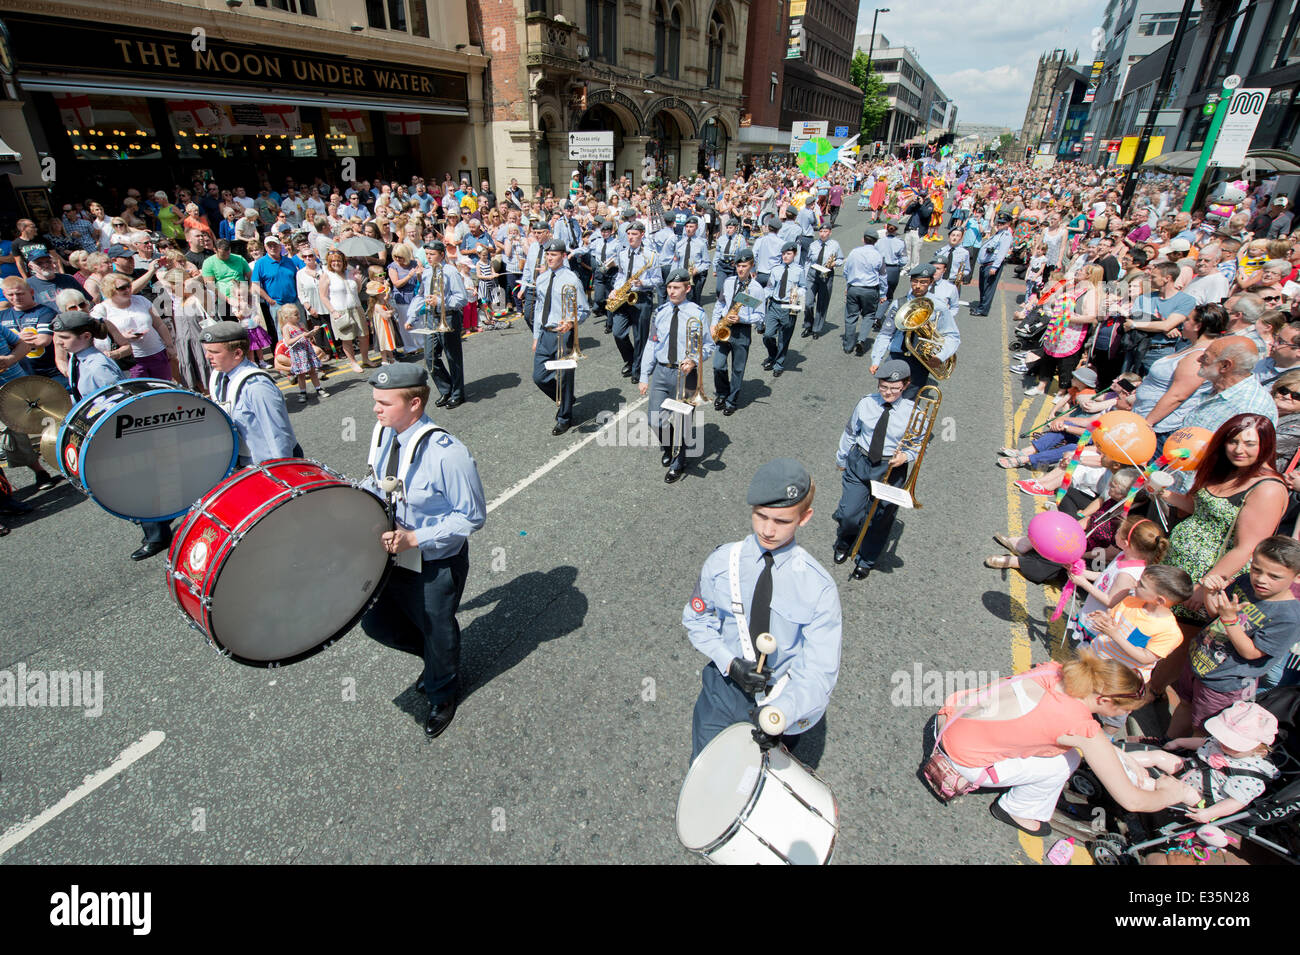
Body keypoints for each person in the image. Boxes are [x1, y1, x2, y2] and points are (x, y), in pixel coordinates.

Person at [929, 651, 1196, 836]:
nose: (1121, 716)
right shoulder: (1080, 726)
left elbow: (1086, 737)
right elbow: (1132, 800)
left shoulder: (1058, 671)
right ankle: (1017, 810)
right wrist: (1174, 793)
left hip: (945, 722)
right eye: (1123, 710)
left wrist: (1124, 758)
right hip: (957, 761)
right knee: (1067, 760)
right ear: (1105, 701)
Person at [682, 457, 841, 761]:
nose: (768, 530)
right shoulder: (722, 562)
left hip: (779, 698)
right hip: (723, 692)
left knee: (756, 781)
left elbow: (819, 671)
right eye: (760, 516)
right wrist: (730, 663)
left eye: (782, 521)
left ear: (804, 518)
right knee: (704, 770)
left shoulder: (818, 588)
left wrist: (781, 713)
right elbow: (697, 621)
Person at [359, 363, 486, 739]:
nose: (376, 409)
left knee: (436, 627)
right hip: (391, 553)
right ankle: (437, 661)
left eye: (384, 402)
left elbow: (472, 517)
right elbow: (377, 479)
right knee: (377, 623)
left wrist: (415, 538)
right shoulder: (384, 434)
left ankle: (442, 693)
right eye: (375, 401)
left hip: (433, 560)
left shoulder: (447, 453)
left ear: (415, 403)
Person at [1168, 535, 1300, 737]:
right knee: (1185, 704)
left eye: (1274, 576)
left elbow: (1251, 653)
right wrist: (1210, 594)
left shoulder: (1289, 617)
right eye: (1256, 569)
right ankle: (1167, 742)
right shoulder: (1246, 582)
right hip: (1201, 662)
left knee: (1204, 729)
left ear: (1296, 577)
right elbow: (1215, 615)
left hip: (1227, 682)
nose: (1261, 579)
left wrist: (1230, 620)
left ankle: (1191, 764)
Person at [833, 360, 917, 580]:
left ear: (906, 385)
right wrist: (841, 457)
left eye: (894, 388)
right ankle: (844, 541)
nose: (888, 392)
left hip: (890, 467)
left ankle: (866, 559)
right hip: (860, 461)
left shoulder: (914, 412)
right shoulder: (866, 403)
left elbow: (919, 443)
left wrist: (906, 456)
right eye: (883, 387)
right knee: (849, 513)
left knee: (880, 520)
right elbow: (851, 431)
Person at [640, 269, 711, 482]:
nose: (671, 291)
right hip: (662, 371)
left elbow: (708, 345)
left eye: (676, 288)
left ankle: (677, 463)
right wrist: (644, 375)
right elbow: (652, 344)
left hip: (685, 374)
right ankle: (670, 446)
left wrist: (695, 361)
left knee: (682, 421)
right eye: (669, 287)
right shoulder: (660, 312)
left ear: (687, 288)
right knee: (655, 419)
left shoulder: (697, 314)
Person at [200, 321, 301, 470]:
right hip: (247, 466)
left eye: (214, 352)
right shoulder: (219, 377)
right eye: (207, 351)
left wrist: (284, 473)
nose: (208, 356)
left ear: (238, 353)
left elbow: (278, 436)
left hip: (271, 465)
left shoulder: (257, 386)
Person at [870, 266, 959, 398]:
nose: (918, 286)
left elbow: (953, 336)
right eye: (915, 281)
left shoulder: (938, 306)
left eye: (923, 282)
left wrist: (940, 356)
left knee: (908, 401)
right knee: (887, 396)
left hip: (919, 361)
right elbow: (885, 334)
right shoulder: (899, 303)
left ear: (930, 282)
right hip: (896, 356)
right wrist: (876, 359)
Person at [531, 238, 588, 436]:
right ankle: (566, 399)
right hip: (546, 334)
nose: (549, 258)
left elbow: (583, 309)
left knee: (564, 379)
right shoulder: (542, 278)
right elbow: (539, 308)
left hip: (564, 335)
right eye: (547, 255)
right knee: (539, 377)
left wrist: (572, 323)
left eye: (553, 255)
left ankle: (565, 417)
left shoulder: (571, 279)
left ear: (563, 256)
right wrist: (536, 336)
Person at [410, 240, 468, 409]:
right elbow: (421, 295)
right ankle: (446, 389)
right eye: (426, 254)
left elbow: (461, 298)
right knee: (430, 357)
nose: (428, 257)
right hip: (431, 317)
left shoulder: (451, 272)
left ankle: (458, 393)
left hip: (449, 316)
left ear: (441, 255)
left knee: (453, 357)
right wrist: (411, 317)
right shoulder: (427, 272)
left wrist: (441, 300)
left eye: (432, 254)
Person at [710, 249, 766, 417]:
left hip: (741, 331)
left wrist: (742, 319)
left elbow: (760, 316)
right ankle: (722, 393)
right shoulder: (728, 282)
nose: (741, 269)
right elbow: (720, 303)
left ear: (751, 266)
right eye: (738, 266)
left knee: (737, 369)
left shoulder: (755, 289)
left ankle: (731, 401)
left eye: (744, 266)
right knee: (717, 365)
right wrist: (714, 324)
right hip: (724, 327)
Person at [761, 242, 803, 378]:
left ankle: (778, 363)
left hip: (788, 306)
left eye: (789, 254)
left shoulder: (799, 270)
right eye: (784, 254)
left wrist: (798, 295)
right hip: (774, 305)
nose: (785, 256)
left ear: (794, 255)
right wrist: (760, 297)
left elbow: (804, 287)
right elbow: (770, 287)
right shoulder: (776, 269)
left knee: (784, 338)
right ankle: (772, 354)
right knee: (768, 335)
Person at [841, 230, 886, 357]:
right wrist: (883, 293)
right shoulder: (878, 255)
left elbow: (846, 270)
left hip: (854, 288)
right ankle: (861, 340)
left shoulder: (854, 252)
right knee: (869, 315)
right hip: (870, 289)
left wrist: (848, 285)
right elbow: (883, 276)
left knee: (851, 316)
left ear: (863, 239)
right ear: (876, 241)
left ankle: (848, 345)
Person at [801, 222, 841, 340]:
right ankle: (808, 324)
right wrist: (804, 275)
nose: (823, 234)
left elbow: (840, 259)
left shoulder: (835, 245)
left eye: (825, 232)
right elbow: (808, 260)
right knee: (807, 302)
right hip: (812, 274)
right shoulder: (813, 244)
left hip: (826, 275)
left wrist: (834, 263)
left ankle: (816, 328)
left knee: (822, 303)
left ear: (830, 232)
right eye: (821, 232)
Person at [969, 212, 1012, 317]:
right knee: (983, 286)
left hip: (992, 264)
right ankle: (981, 306)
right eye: (999, 222)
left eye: (1003, 223)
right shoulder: (998, 233)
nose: (999, 224)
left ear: (1008, 224)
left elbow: (1002, 252)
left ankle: (983, 309)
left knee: (988, 288)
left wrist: (995, 266)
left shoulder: (1006, 235)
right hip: (986, 263)